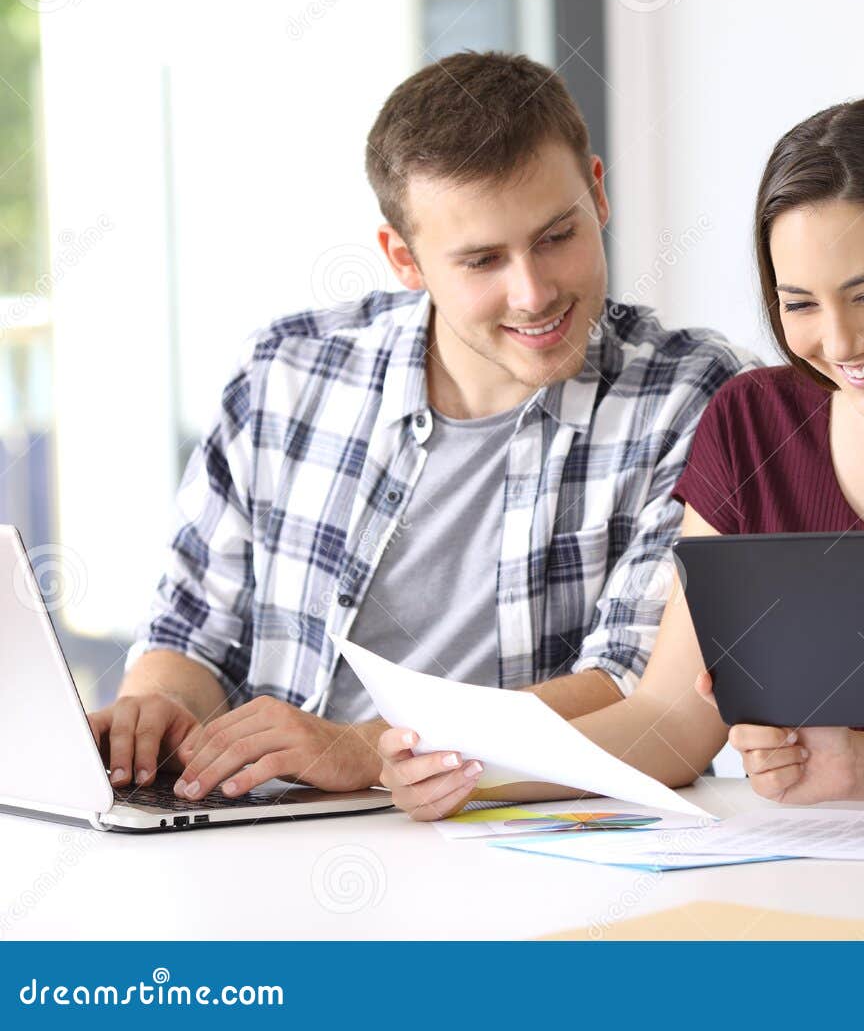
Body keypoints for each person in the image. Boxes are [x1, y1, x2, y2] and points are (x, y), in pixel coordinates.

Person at [376, 97, 864, 818]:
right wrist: (465, 770)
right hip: (803, 860)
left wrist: (858, 766)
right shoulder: (754, 421)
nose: (842, 342)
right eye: (800, 304)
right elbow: (670, 723)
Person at [92, 51, 749, 802]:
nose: (533, 292)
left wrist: (367, 750)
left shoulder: (693, 396)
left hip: (509, 827)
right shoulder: (287, 371)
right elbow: (189, 633)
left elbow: (632, 688)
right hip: (262, 833)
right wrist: (160, 712)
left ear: (597, 194)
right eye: (481, 260)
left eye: (555, 236)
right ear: (404, 258)